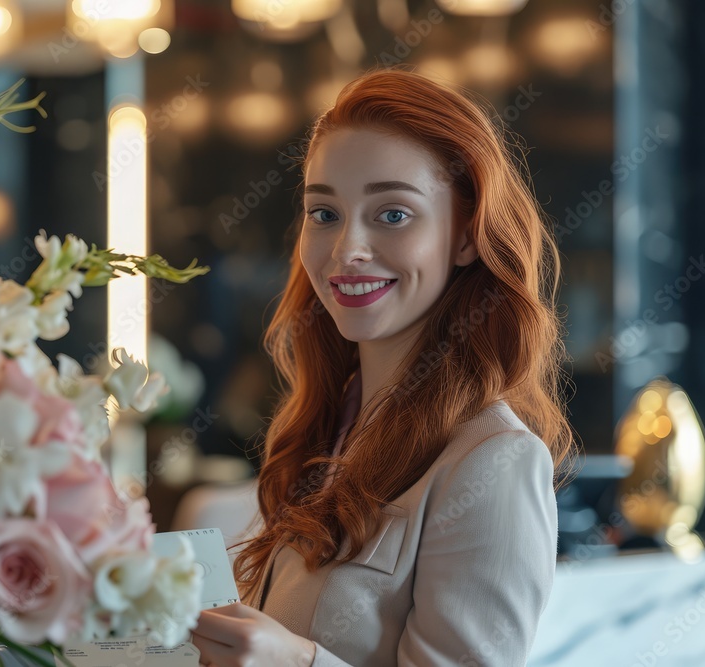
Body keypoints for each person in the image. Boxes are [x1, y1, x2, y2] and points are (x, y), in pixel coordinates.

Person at [190, 65, 578, 666]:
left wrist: (297, 662)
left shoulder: (494, 461)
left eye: (393, 214)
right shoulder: (323, 430)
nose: (347, 251)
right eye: (324, 214)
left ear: (466, 235)